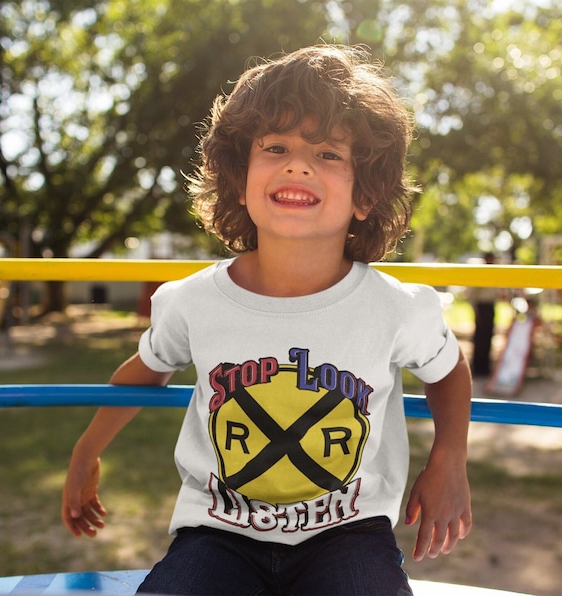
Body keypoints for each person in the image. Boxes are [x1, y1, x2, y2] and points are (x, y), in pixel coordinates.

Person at [62, 45, 472, 596]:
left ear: (365, 194)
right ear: (239, 177)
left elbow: (447, 370)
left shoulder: (395, 306)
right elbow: (146, 369)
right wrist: (86, 451)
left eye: (328, 154)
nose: (297, 164)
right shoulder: (193, 301)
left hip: (350, 534)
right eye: (275, 146)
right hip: (217, 533)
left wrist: (449, 459)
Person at [468, 252, 499, 377]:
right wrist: (476, 312)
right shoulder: (480, 273)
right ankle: (477, 368)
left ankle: (486, 367)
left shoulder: (494, 274)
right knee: (480, 339)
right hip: (482, 307)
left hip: (490, 306)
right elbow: (472, 295)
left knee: (488, 337)